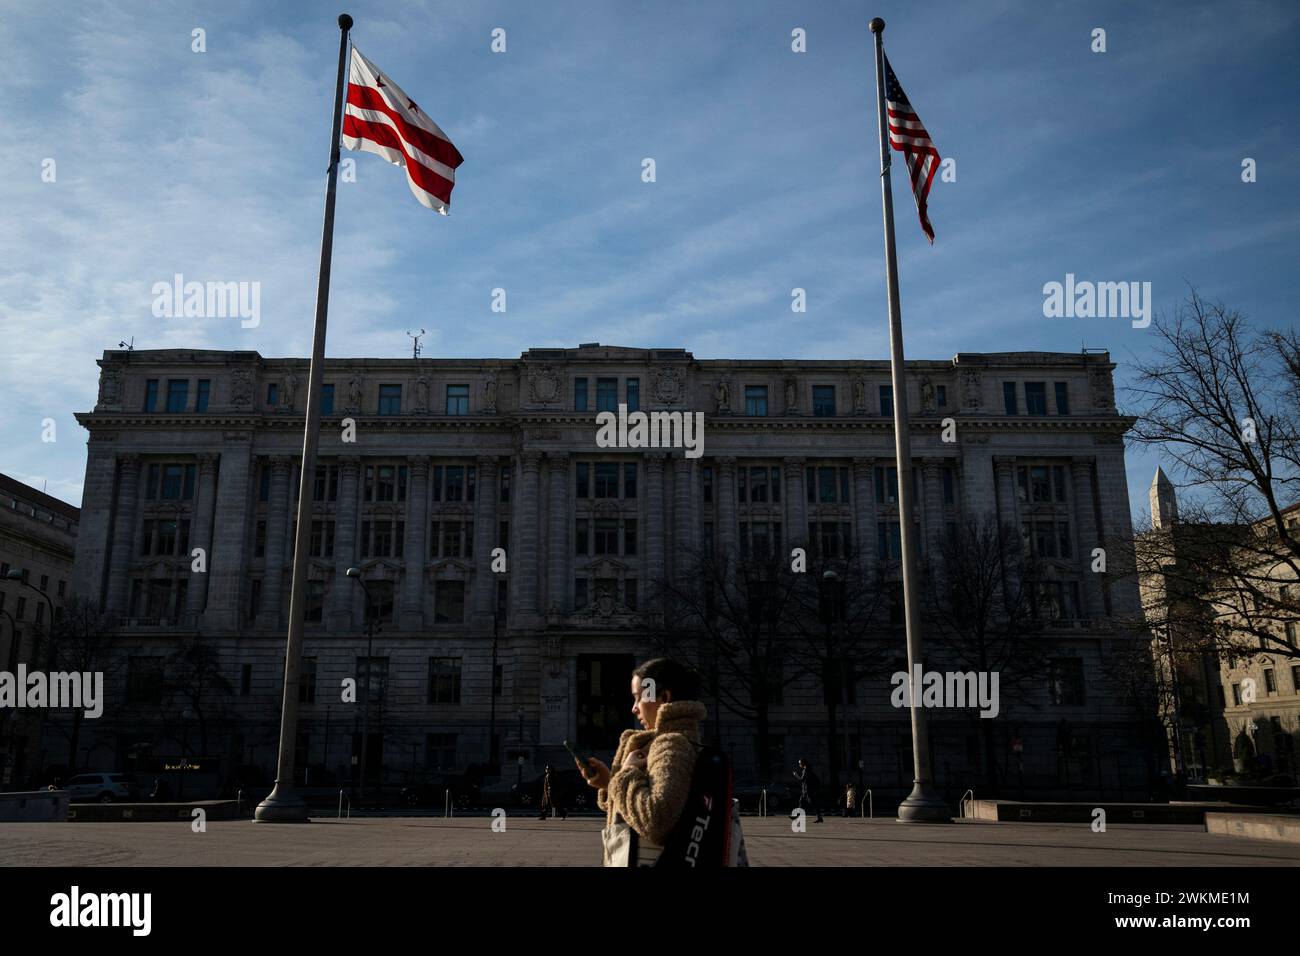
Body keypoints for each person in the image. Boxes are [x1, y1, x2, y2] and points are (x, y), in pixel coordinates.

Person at [579, 657, 708, 866]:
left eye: (639, 698)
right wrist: (608, 782)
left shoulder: (671, 745)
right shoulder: (669, 742)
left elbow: (656, 819)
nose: (634, 708)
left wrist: (625, 773)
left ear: (664, 697)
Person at [793, 759, 825, 823]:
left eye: (800, 763)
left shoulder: (806, 770)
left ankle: (820, 817)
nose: (799, 765)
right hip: (805, 790)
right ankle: (797, 816)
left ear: (803, 763)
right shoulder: (807, 770)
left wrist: (796, 775)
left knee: (813, 803)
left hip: (808, 790)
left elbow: (802, 780)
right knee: (801, 802)